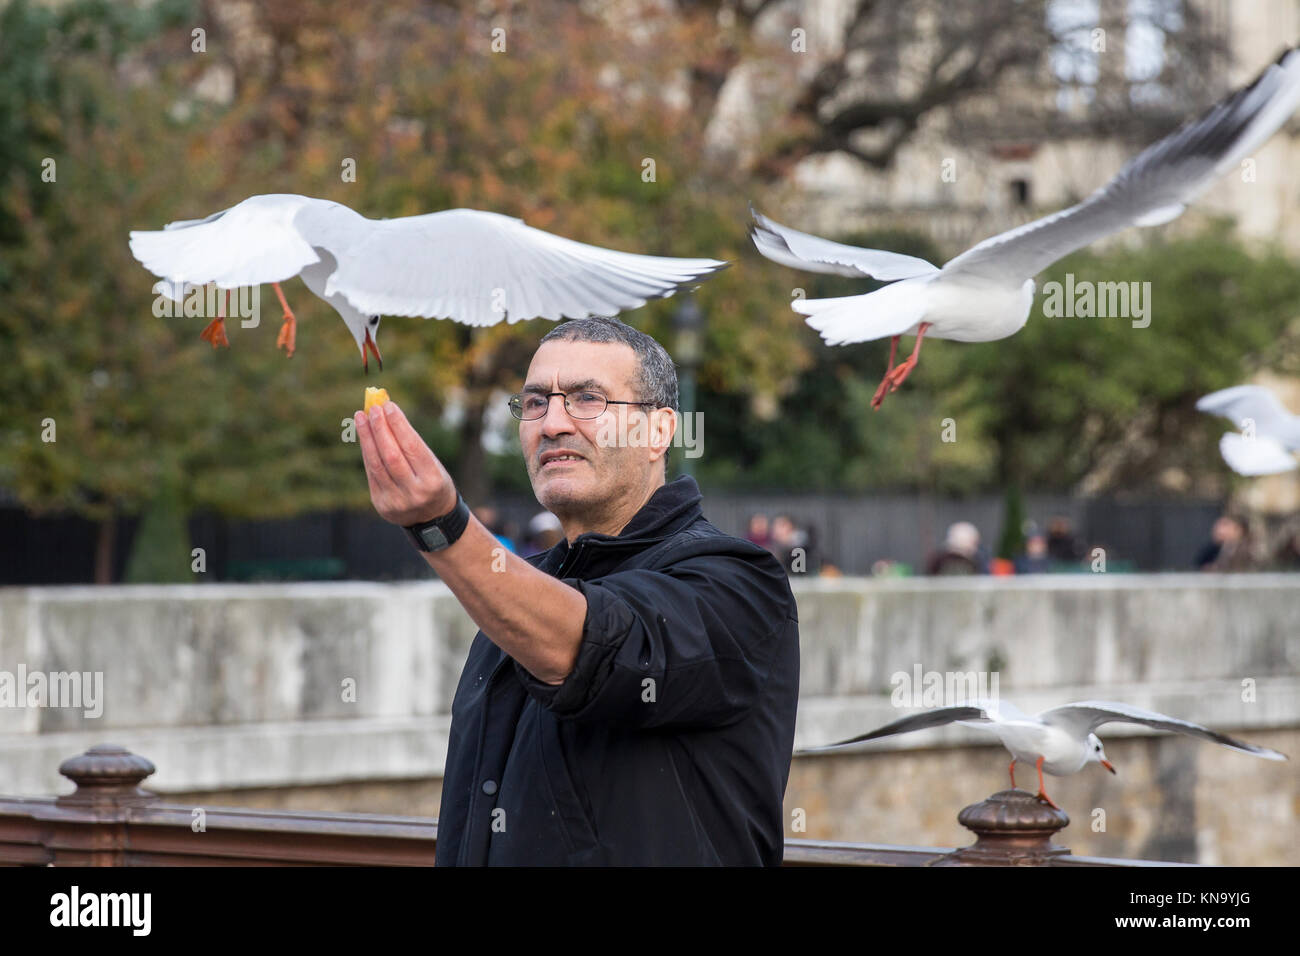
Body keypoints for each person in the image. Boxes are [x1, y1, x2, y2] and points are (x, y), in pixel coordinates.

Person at [353, 315, 799, 865]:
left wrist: (442, 525)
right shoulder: (521, 594)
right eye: (535, 402)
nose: (552, 423)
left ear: (658, 430)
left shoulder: (736, 582)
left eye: (588, 399)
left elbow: (592, 648)